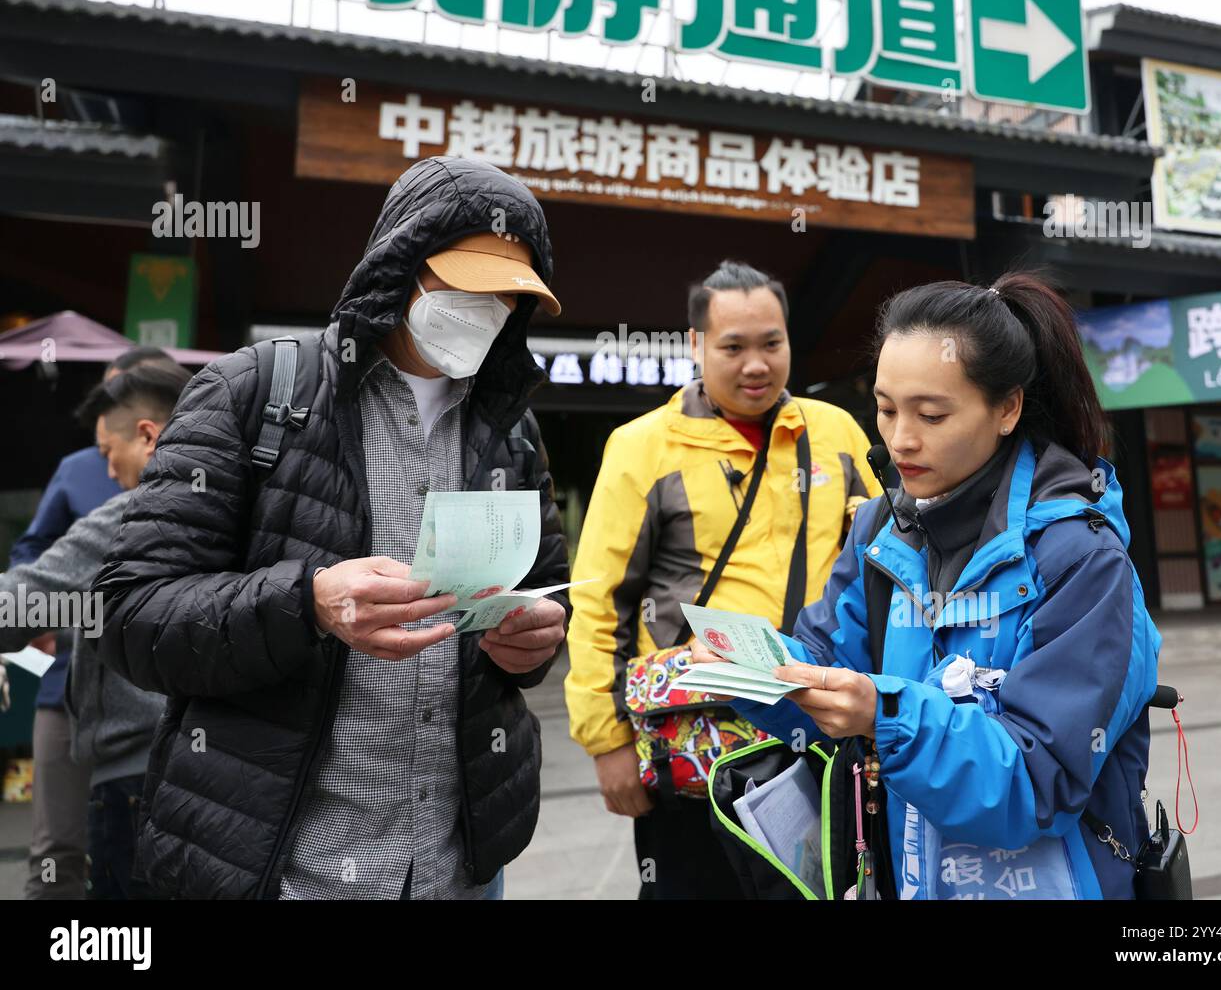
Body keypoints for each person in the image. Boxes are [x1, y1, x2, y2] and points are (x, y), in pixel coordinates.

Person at [95, 157, 569, 900]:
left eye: (509, 292)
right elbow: (129, 613)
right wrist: (307, 604)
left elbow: (534, 602)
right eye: (466, 283)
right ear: (400, 262)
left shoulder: (511, 432)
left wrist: (531, 645)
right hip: (280, 869)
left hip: (458, 868)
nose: (488, 306)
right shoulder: (251, 391)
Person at [698, 272, 1161, 899]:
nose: (900, 439)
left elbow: (1036, 783)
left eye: (931, 414)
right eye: (886, 408)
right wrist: (755, 669)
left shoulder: (1081, 559)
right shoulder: (881, 532)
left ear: (1007, 409)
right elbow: (828, 659)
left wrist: (884, 714)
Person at [566, 259, 882, 899]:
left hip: (822, 732)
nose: (756, 364)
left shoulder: (837, 434)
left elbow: (888, 566)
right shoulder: (641, 447)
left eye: (772, 343)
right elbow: (601, 602)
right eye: (733, 347)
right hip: (698, 752)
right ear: (695, 346)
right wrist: (607, 745)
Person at [0, 358, 191, 898]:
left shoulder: (134, 516)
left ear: (148, 435)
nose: (108, 472)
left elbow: (23, 602)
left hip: (133, 773)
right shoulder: (242, 504)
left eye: (110, 452)